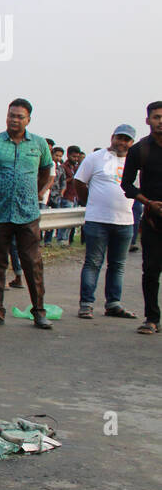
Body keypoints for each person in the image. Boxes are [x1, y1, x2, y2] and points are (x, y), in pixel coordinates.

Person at [0, 98, 54, 329]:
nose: (14, 120)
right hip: (0, 211)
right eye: (11, 115)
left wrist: (31, 192)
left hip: (28, 212)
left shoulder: (40, 144)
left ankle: (39, 311)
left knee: (33, 263)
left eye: (19, 116)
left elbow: (44, 173)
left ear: (28, 119)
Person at [74, 125, 139, 319]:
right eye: (119, 138)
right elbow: (79, 182)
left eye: (126, 140)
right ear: (112, 138)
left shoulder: (135, 162)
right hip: (97, 220)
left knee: (117, 265)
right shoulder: (96, 158)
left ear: (132, 143)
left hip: (125, 221)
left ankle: (113, 304)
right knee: (93, 262)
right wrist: (89, 202)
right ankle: (86, 304)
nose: (122, 142)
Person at [121, 101, 162, 334]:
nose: (161, 121)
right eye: (156, 117)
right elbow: (126, 184)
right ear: (148, 121)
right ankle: (152, 318)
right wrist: (148, 203)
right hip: (153, 220)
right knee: (151, 269)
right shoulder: (140, 150)